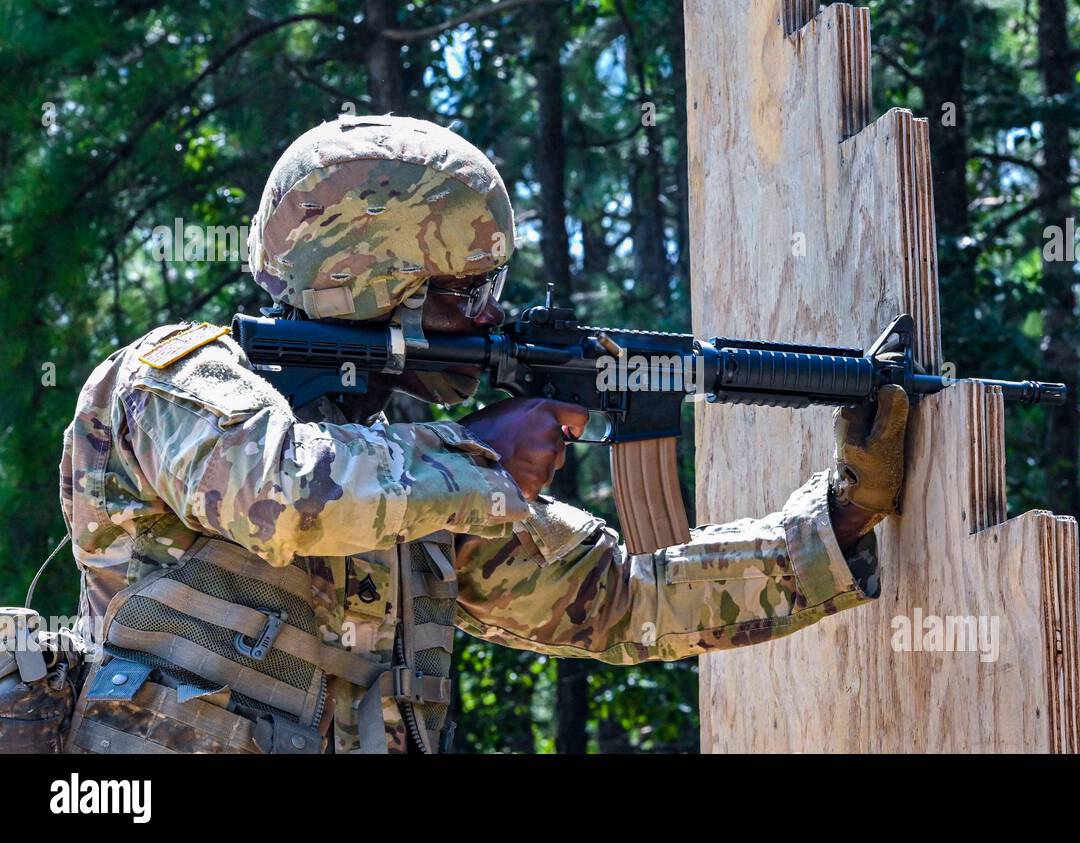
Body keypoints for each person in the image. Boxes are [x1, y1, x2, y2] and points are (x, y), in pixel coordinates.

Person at [56, 115, 911, 754]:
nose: (490, 313)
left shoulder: (422, 463)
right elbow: (282, 495)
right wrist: (482, 455)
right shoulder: (172, 380)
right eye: (463, 291)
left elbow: (618, 602)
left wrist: (838, 521)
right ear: (373, 284)